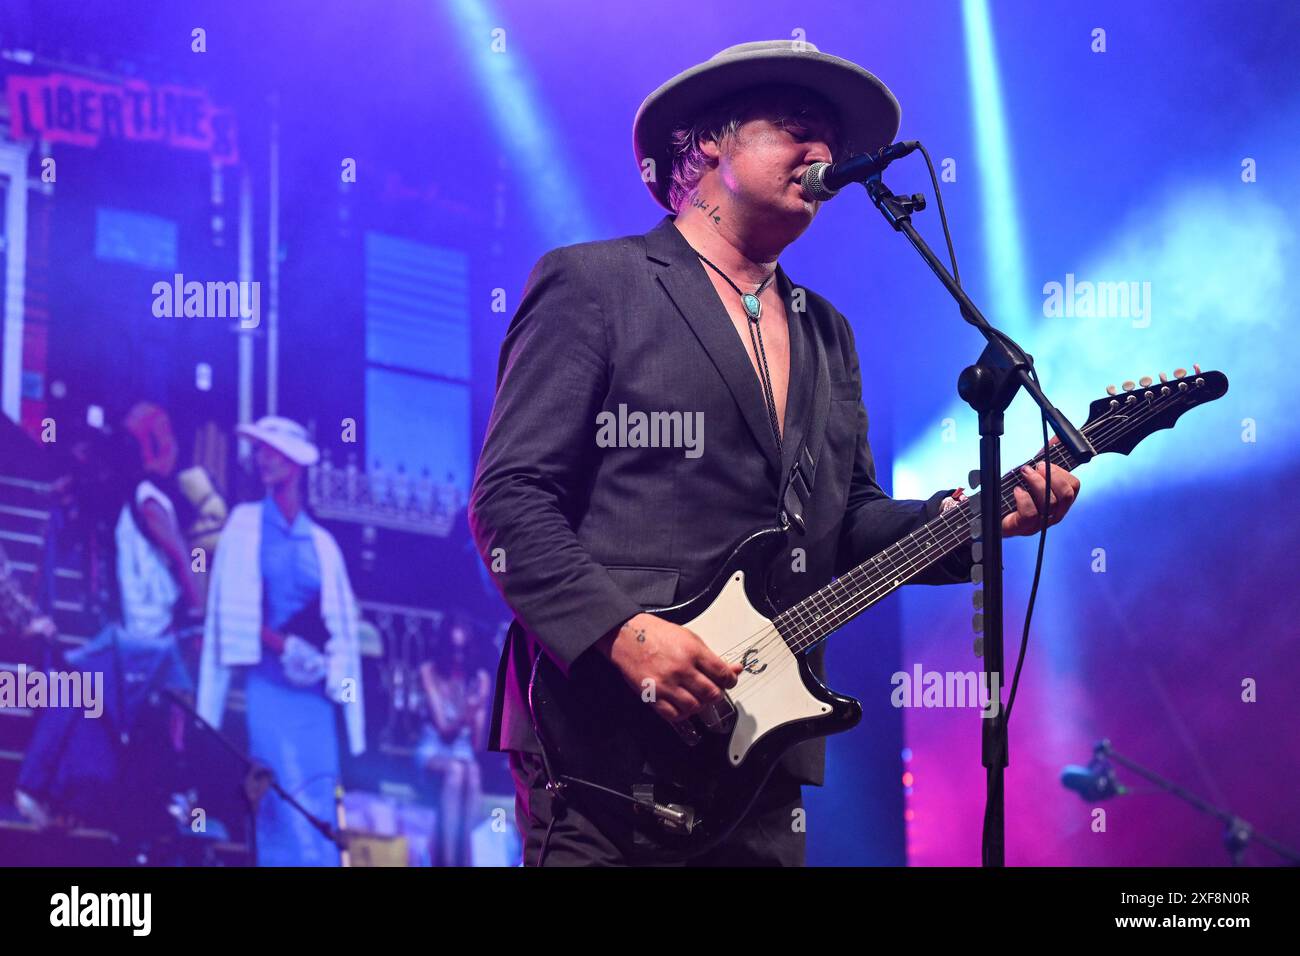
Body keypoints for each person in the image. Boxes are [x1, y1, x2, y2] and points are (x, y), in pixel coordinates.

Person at [469, 40, 1081, 867]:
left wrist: (969, 521)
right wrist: (622, 632)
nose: (823, 154)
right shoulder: (596, 284)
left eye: (830, 141)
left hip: (760, 751)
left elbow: (849, 521)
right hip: (604, 746)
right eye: (795, 129)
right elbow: (510, 501)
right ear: (708, 143)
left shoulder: (827, 332)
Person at [197, 416, 366, 866]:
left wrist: (321, 664)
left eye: (272, 450)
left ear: (295, 461)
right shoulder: (244, 524)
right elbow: (229, 612)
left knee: (316, 801)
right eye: (259, 450)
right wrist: (282, 646)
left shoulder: (323, 544)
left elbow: (343, 628)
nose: (262, 458)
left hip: (313, 697)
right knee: (277, 800)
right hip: (269, 685)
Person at [413, 611, 491, 866]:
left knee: (471, 771)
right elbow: (444, 730)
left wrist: (478, 711)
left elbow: (477, 744)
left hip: (464, 757)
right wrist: (468, 712)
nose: (458, 657)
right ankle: (447, 862)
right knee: (458, 771)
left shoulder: (479, 679)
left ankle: (464, 859)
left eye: (463, 651)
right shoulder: (429, 672)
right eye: (454, 650)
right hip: (432, 750)